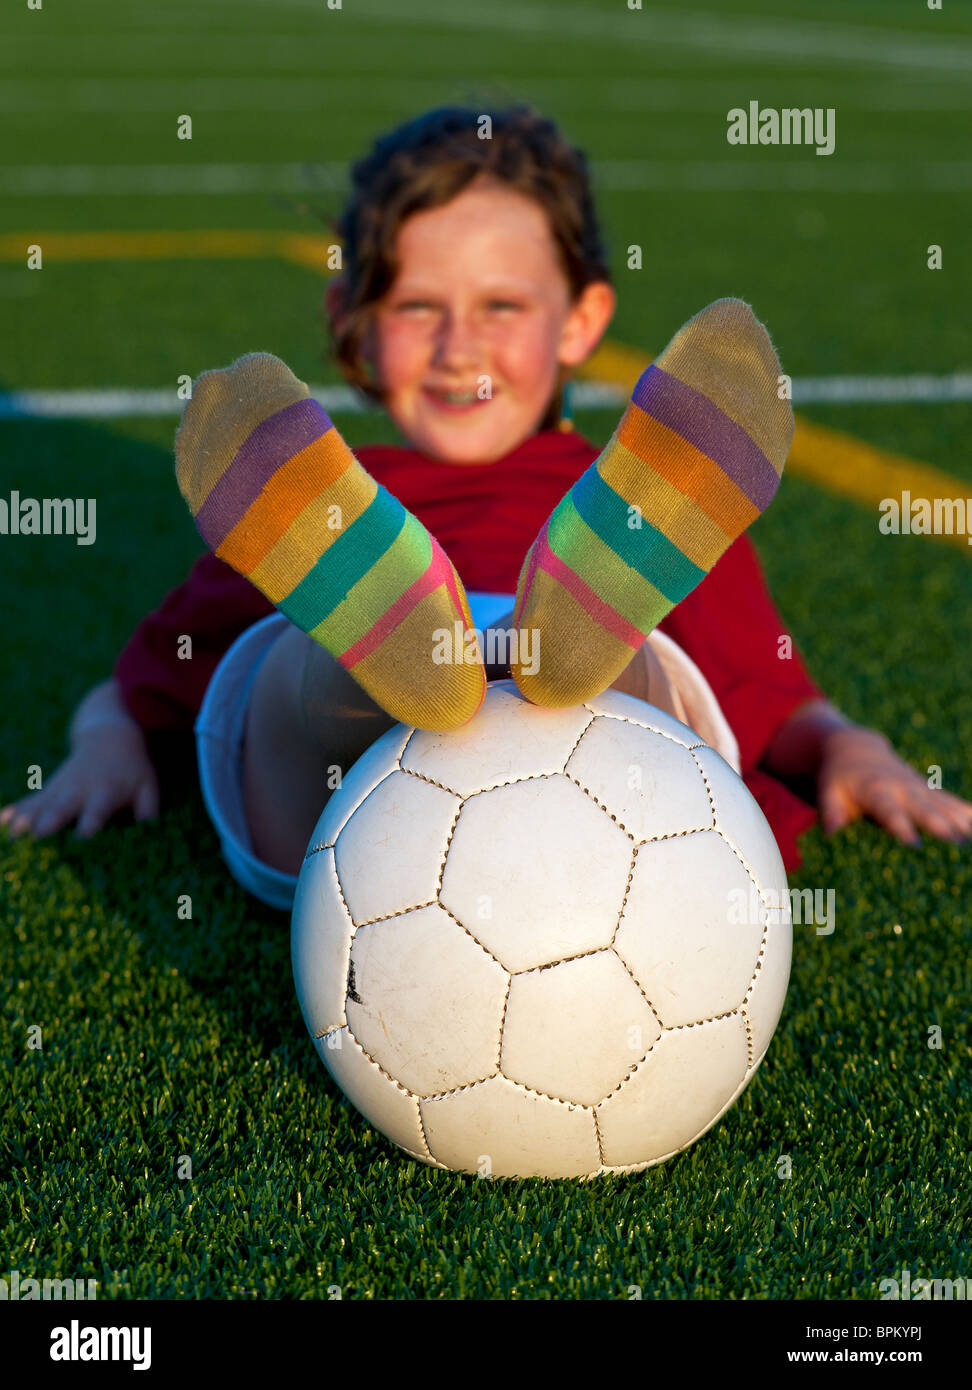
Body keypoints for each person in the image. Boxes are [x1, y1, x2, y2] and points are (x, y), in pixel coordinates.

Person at [3, 106, 969, 911]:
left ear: (583, 320)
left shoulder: (642, 494)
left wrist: (852, 746)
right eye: (418, 308)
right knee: (298, 669)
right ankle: (404, 644)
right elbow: (139, 687)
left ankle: (549, 640)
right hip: (349, 823)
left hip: (592, 807)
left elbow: (776, 697)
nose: (460, 347)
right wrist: (105, 747)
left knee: (635, 676)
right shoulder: (318, 496)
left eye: (502, 307)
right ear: (351, 326)